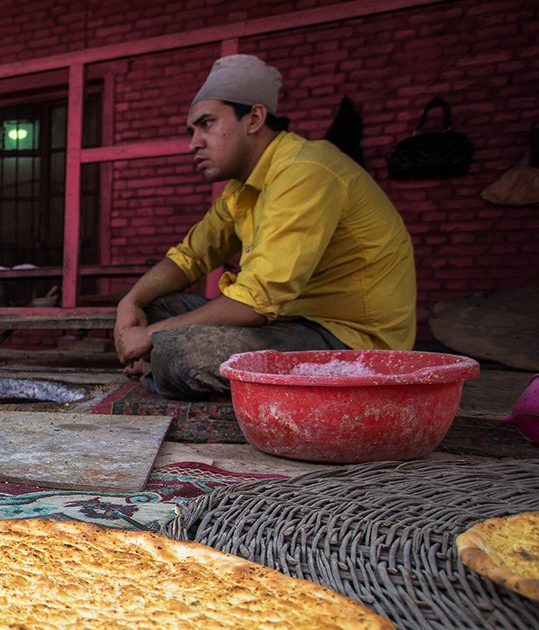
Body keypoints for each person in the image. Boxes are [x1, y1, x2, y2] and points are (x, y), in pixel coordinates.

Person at [113, 55, 417, 400]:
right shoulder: (240, 189)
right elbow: (190, 257)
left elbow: (255, 303)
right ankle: (163, 369)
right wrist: (131, 300)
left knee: (177, 352)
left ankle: (160, 370)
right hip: (287, 325)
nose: (193, 143)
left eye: (206, 124)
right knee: (157, 307)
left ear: (254, 118)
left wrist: (151, 338)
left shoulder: (306, 170)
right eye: (191, 131)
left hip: (351, 341)